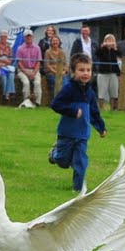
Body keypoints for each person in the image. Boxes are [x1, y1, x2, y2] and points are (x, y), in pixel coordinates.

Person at [51, 53, 108, 194]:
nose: (86, 73)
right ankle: (54, 153)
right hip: (66, 133)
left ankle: (78, 190)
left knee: (81, 163)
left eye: (88, 70)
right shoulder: (69, 89)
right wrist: (72, 111)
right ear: (73, 71)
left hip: (82, 135)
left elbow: (94, 113)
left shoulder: (90, 93)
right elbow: (55, 104)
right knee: (63, 161)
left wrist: (101, 127)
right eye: (81, 70)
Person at [16, 31, 44, 107]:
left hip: (34, 70)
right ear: (24, 38)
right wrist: (26, 72)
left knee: (37, 83)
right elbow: (19, 62)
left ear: (32, 37)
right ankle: (26, 102)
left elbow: (38, 62)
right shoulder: (20, 48)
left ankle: (37, 103)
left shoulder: (37, 48)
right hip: (23, 70)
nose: (28, 38)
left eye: (30, 36)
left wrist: (34, 72)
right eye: (27, 36)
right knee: (26, 83)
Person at [94, 33, 122, 109]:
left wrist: (114, 48)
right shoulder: (102, 50)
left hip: (113, 73)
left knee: (114, 92)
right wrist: (103, 46)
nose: (110, 42)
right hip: (103, 73)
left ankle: (113, 109)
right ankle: (101, 108)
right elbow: (96, 53)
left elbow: (120, 55)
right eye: (108, 40)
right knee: (101, 92)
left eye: (111, 40)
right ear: (105, 41)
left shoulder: (114, 50)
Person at [42, 34, 67, 104]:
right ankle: (56, 102)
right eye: (53, 41)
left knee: (65, 85)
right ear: (51, 42)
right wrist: (55, 71)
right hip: (51, 73)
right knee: (56, 84)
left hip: (62, 73)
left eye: (56, 40)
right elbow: (47, 65)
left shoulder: (62, 52)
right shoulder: (48, 52)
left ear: (59, 42)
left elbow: (65, 64)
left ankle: (64, 102)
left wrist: (64, 71)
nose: (55, 42)